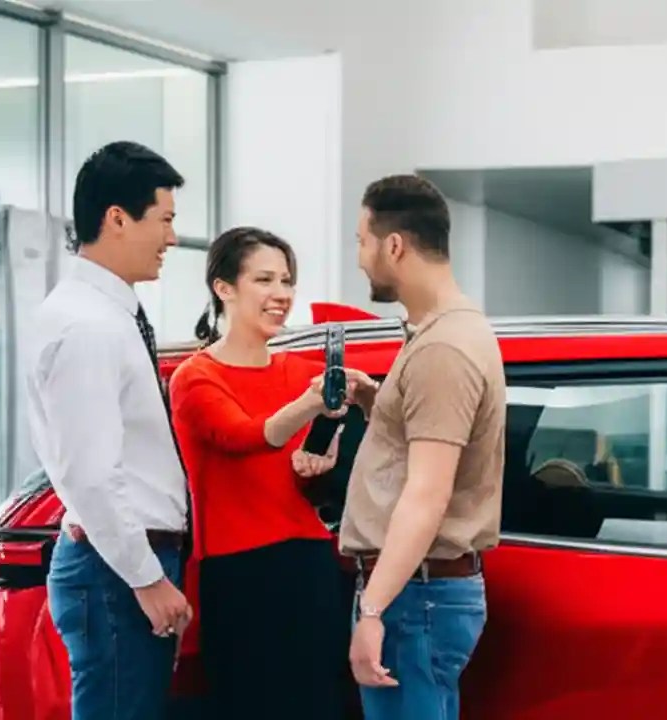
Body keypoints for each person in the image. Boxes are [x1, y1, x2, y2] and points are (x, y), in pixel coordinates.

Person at [167, 226, 378, 720]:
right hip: (237, 572)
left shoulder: (298, 370)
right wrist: (309, 405)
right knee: (248, 704)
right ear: (224, 287)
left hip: (309, 563)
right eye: (264, 280)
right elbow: (246, 437)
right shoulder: (196, 377)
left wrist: (324, 460)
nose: (281, 295)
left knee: (317, 705)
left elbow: (315, 471)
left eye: (286, 281)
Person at [28, 140, 193, 719]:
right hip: (118, 572)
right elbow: (89, 473)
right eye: (165, 219)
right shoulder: (89, 326)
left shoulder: (106, 315)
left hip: (119, 565)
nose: (172, 238)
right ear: (117, 219)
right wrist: (147, 578)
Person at [339, 174, 507, 720]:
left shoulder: (444, 350)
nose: (360, 258)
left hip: (415, 598)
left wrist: (373, 609)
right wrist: (378, 406)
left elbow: (427, 495)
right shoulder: (447, 332)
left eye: (362, 242)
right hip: (418, 595)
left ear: (394, 245)